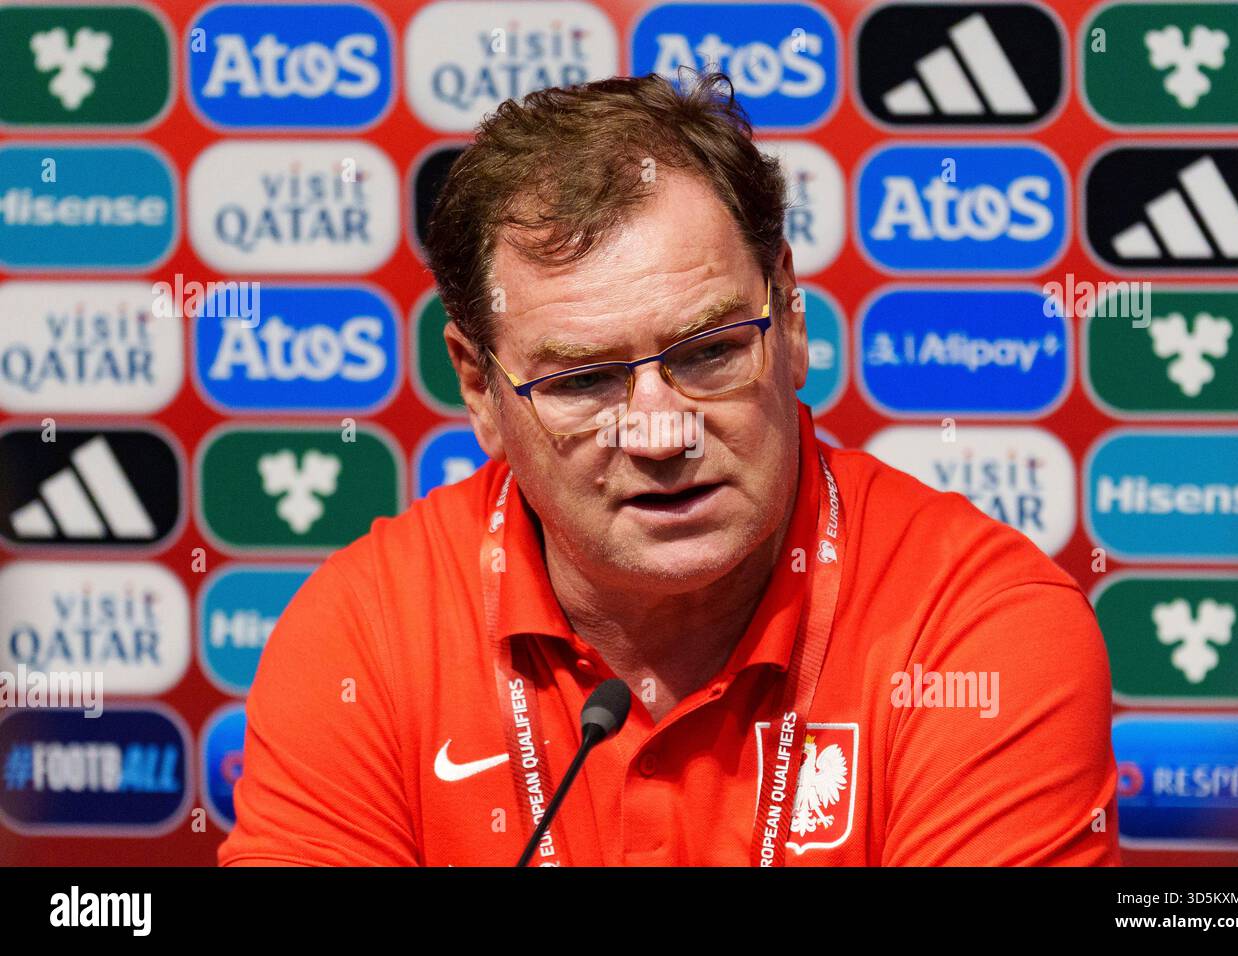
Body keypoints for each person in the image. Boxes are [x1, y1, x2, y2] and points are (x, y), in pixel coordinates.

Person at [218, 72, 1121, 866]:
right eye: (584, 378)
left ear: (793, 318)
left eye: (708, 352)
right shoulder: (363, 639)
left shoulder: (976, 628)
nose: (661, 433)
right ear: (480, 388)